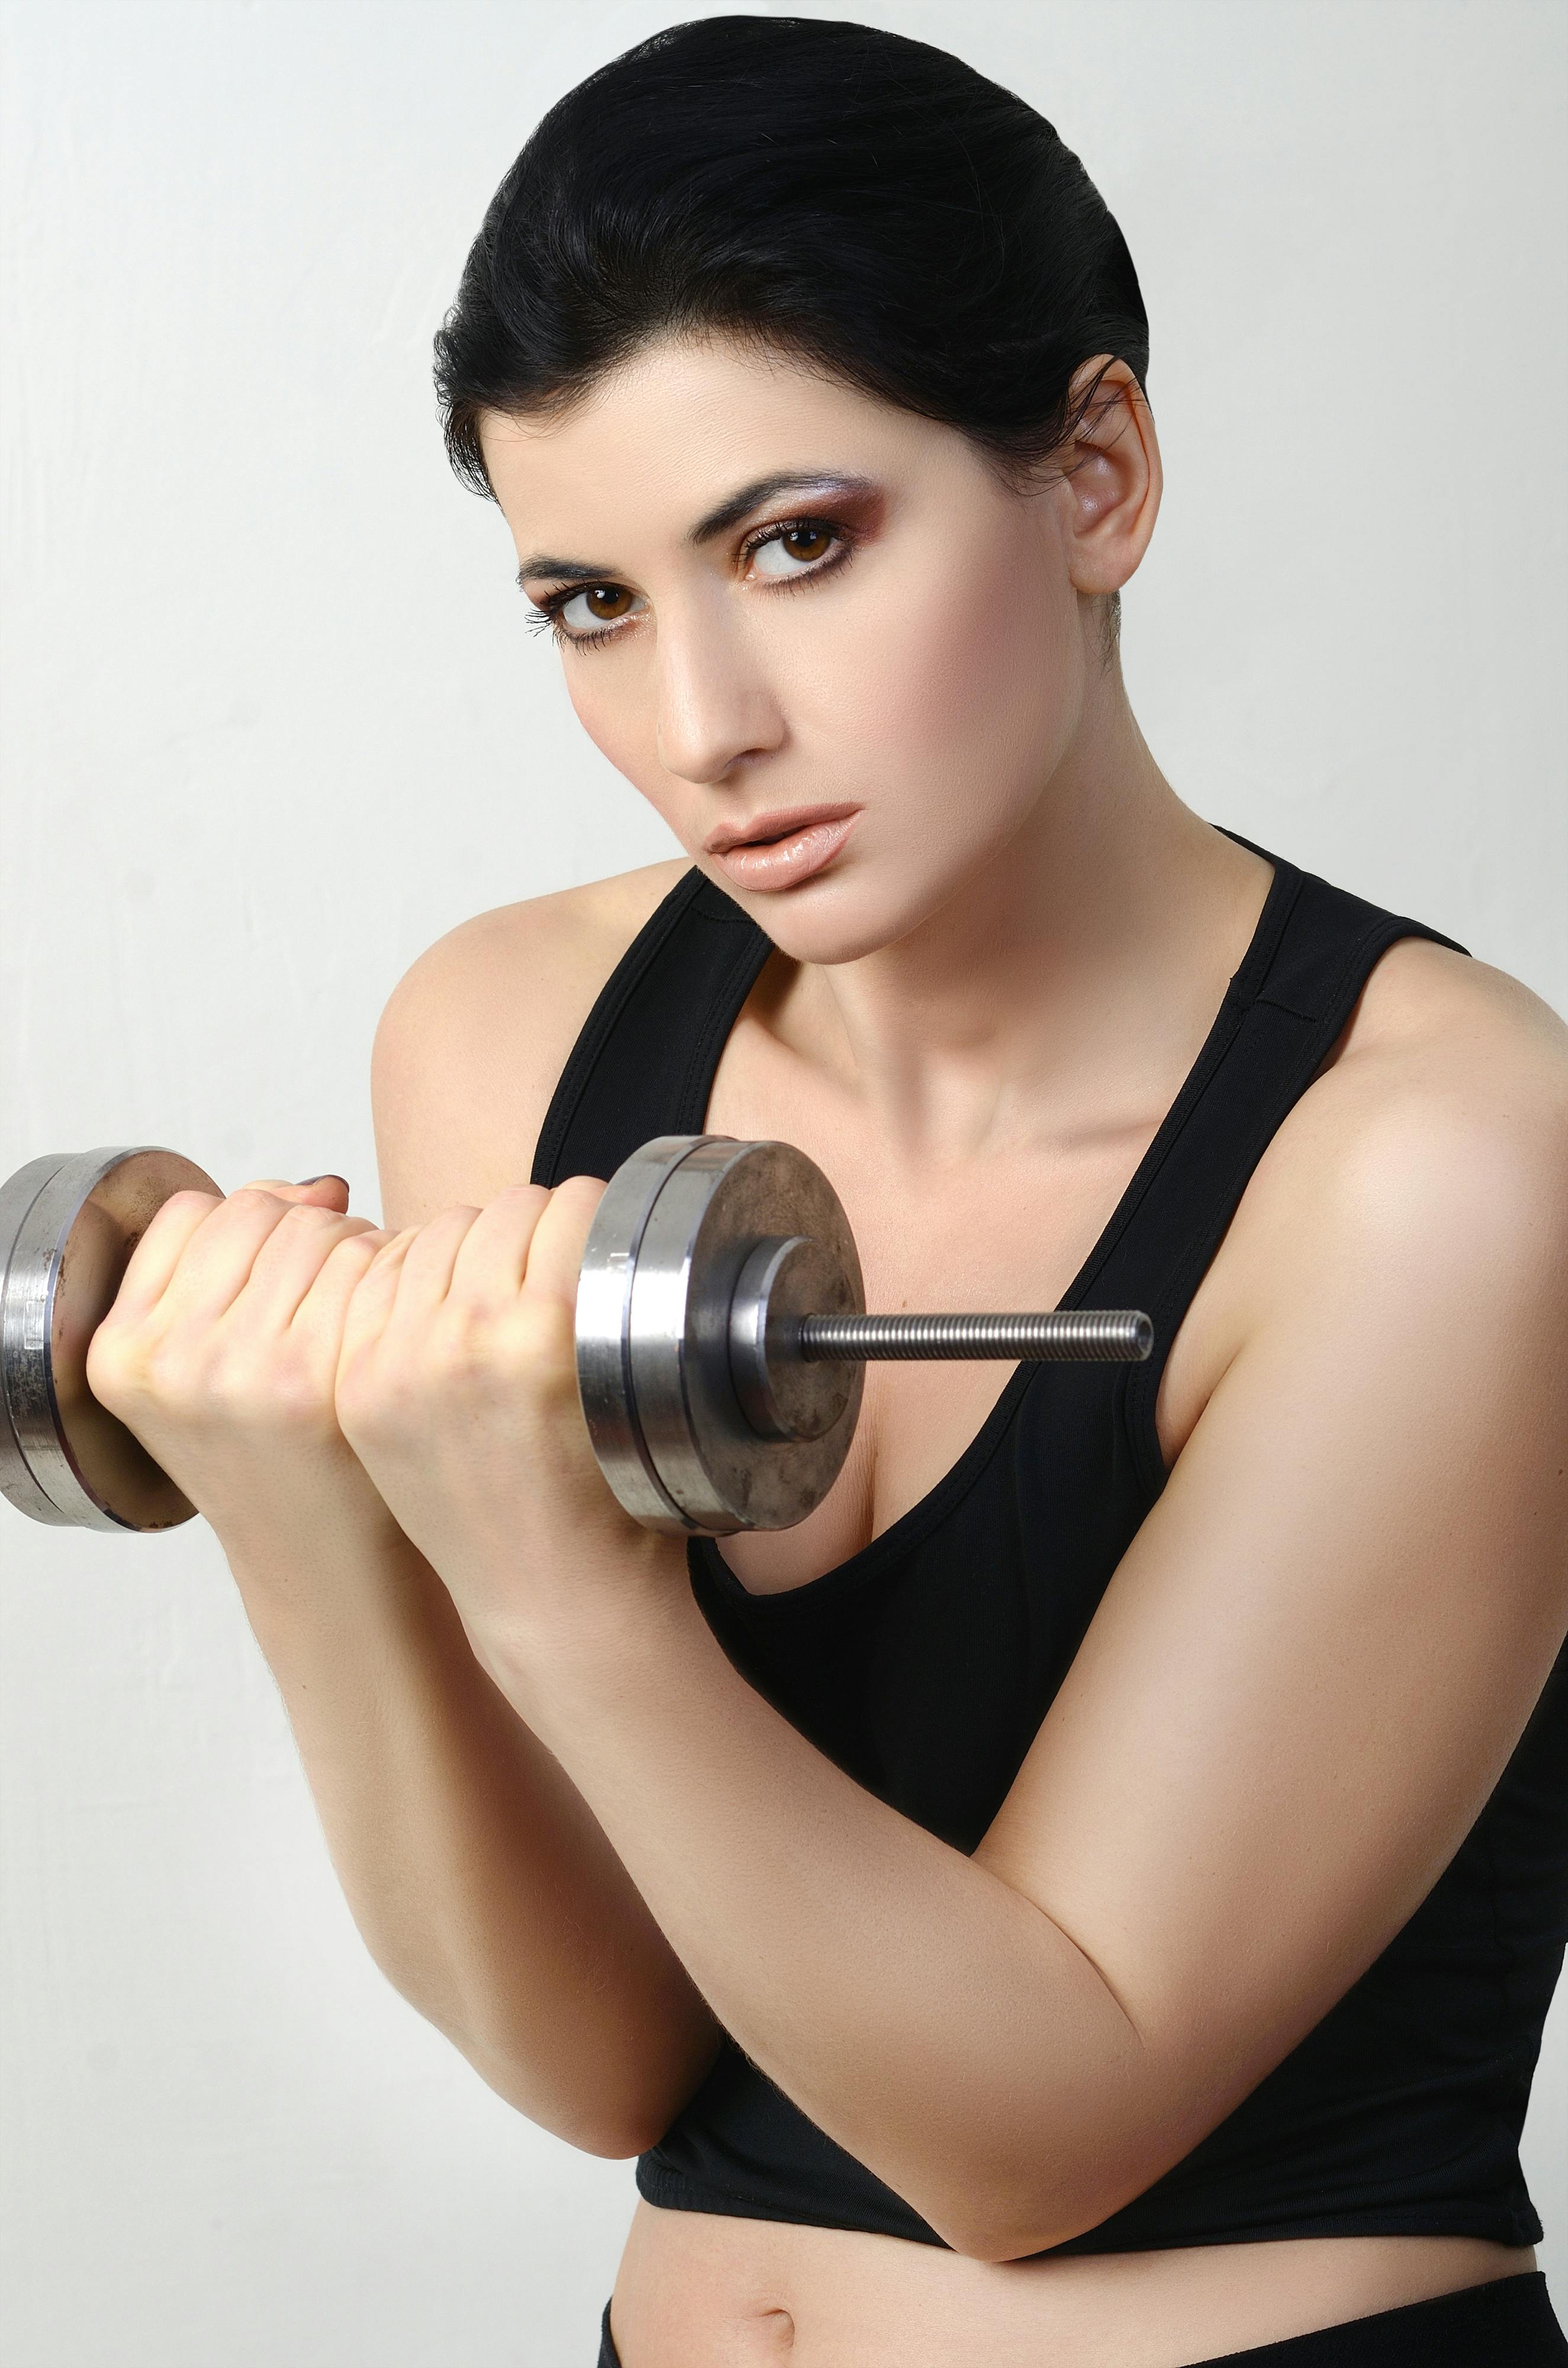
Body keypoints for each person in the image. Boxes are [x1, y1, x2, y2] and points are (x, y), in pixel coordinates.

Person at [86, 18, 1568, 2366]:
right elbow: (608, 2056)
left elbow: (1031, 2134)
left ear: (1094, 475)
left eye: (798, 544)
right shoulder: (503, 1034)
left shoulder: (1437, 1157)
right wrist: (304, 1510)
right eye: (592, 603)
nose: (706, 723)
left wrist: (559, 1589)